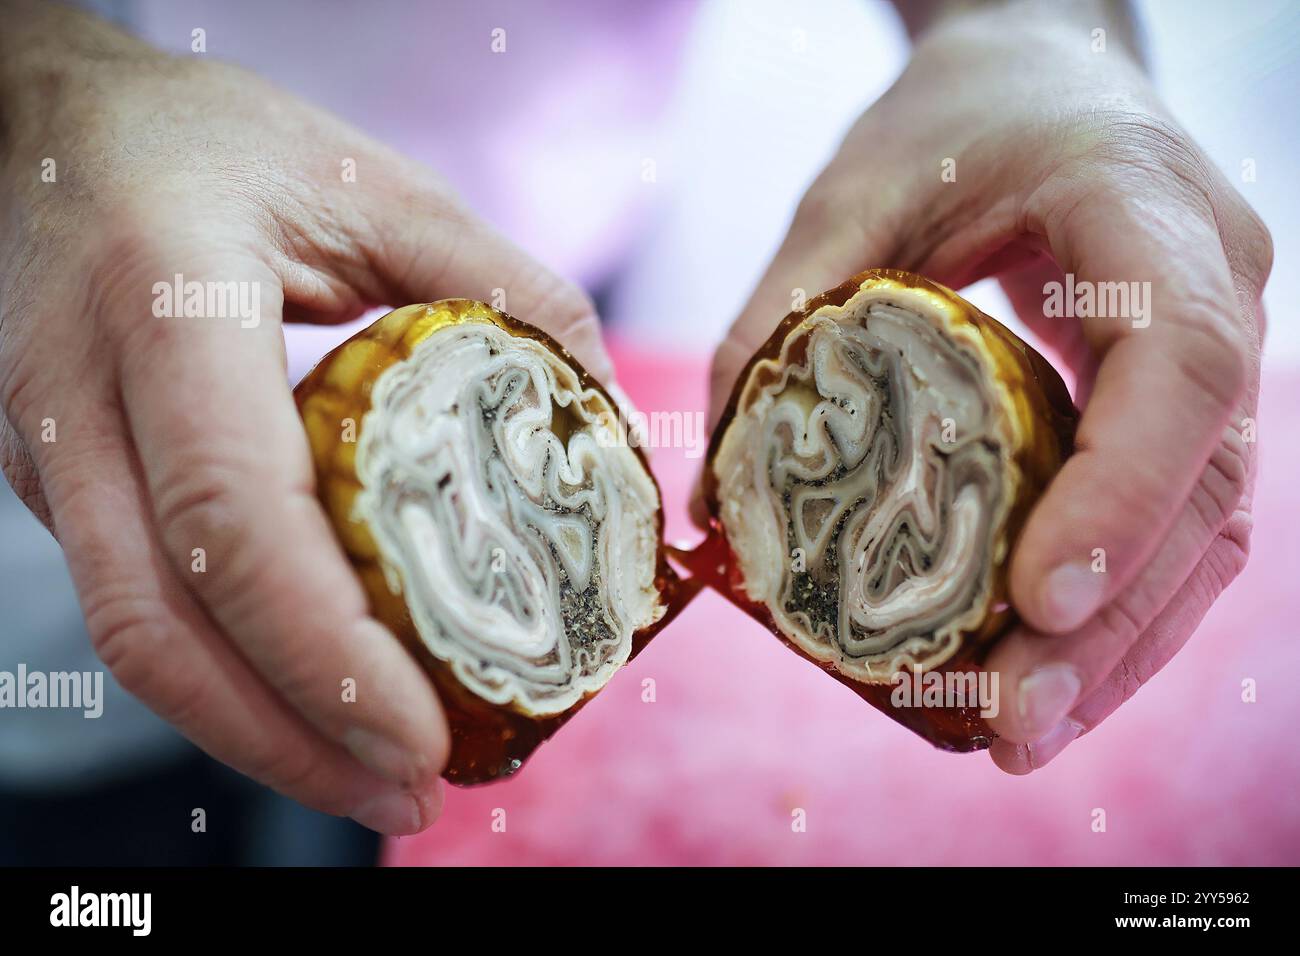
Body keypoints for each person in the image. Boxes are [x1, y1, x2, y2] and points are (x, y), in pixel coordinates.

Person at [0, 0, 1270, 848]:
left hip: (551, 227)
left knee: (363, 777)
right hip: (47, 284)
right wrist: (34, 83)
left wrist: (1032, 27)